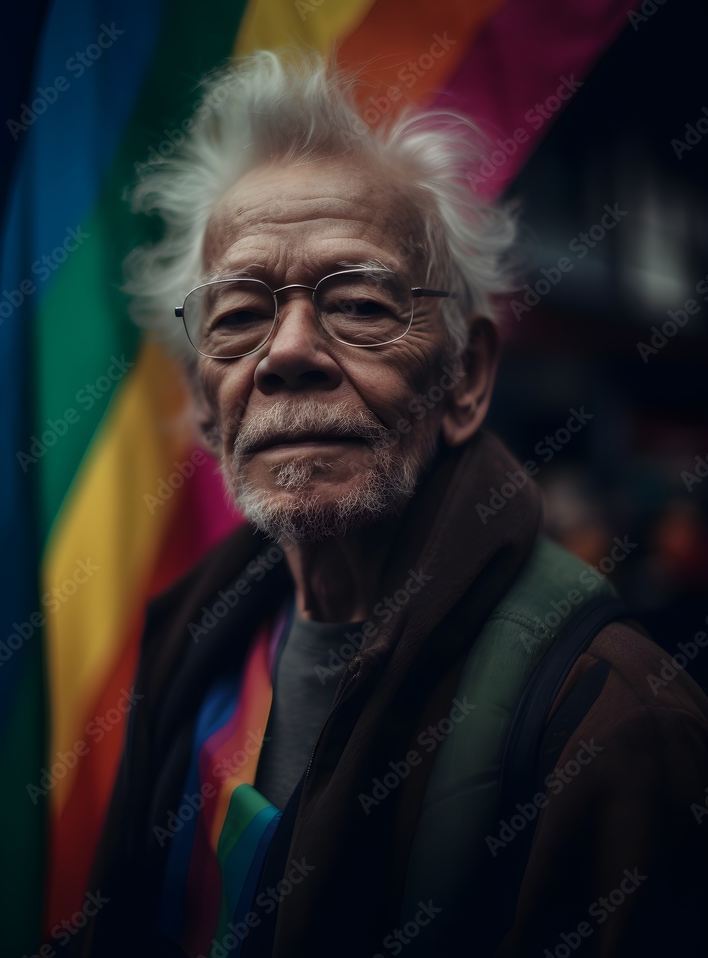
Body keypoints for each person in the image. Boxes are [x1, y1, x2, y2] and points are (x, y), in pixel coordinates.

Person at [79, 51, 708, 958]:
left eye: (361, 303)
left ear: (467, 376)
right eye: (238, 316)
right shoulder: (189, 651)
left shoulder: (617, 727)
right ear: (205, 398)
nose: (287, 351)